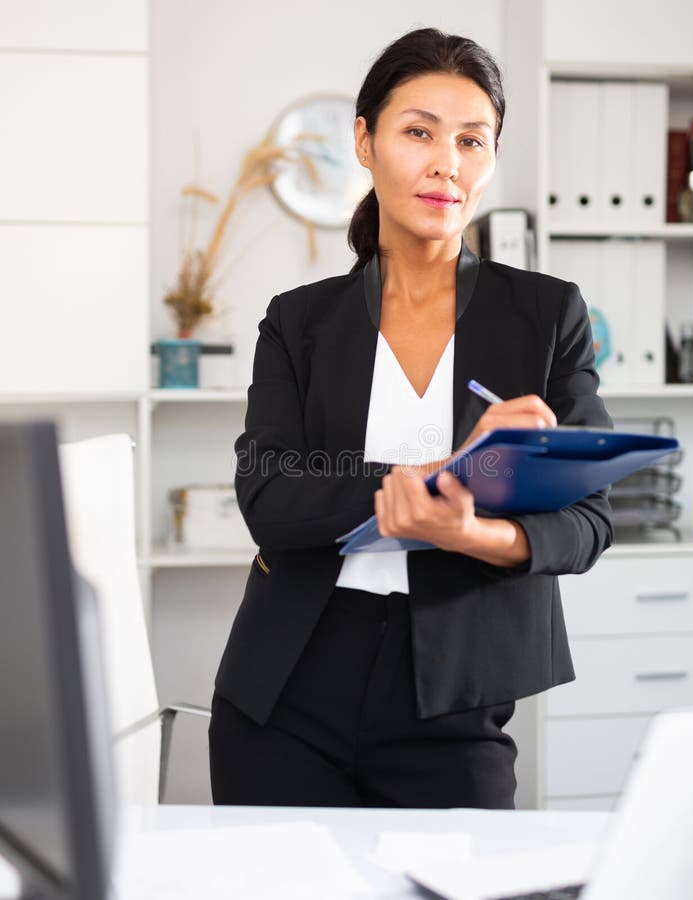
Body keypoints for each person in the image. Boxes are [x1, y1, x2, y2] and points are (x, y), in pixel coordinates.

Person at [208, 26, 613, 810]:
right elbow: (267, 495)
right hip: (288, 684)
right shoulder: (298, 321)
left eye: (471, 140)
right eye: (418, 132)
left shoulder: (545, 314)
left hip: (456, 695)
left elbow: (587, 521)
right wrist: (418, 485)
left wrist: (472, 534)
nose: (446, 164)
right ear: (364, 141)